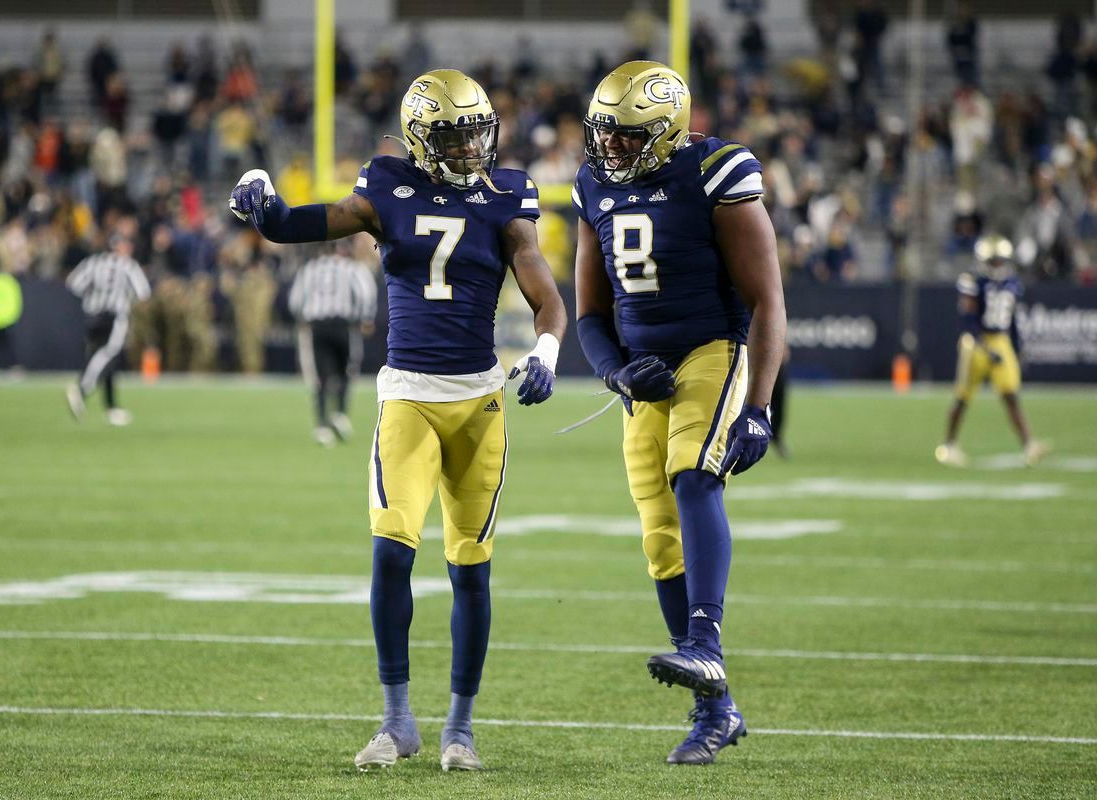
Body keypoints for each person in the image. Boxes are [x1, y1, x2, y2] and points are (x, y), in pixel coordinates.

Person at [229, 68, 566, 773]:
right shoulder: (384, 186)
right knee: (391, 552)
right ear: (420, 138)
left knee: (471, 569)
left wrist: (546, 350)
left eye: (478, 131)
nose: (473, 147)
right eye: (454, 134)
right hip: (408, 396)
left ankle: (461, 729)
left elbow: (541, 286)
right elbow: (303, 223)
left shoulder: (507, 193)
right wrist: (262, 204)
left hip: (479, 402)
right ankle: (396, 720)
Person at [573, 61, 786, 765]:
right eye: (606, 134)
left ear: (664, 133)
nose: (612, 149)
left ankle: (703, 643)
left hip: (709, 349)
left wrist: (758, 409)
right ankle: (715, 711)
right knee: (659, 537)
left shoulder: (715, 173)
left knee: (694, 474)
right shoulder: (594, 184)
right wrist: (616, 371)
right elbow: (591, 315)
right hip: (643, 374)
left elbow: (768, 302)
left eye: (628, 137)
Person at [936, 234, 1048, 467]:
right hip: (976, 342)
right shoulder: (973, 282)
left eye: (1000, 260)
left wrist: (1017, 348)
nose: (998, 265)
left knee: (1011, 395)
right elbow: (968, 321)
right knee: (962, 397)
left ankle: (1029, 444)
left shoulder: (1011, 283)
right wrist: (986, 348)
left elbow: (1013, 320)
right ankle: (948, 445)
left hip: (1001, 340)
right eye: (994, 260)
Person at [288, 236, 378, 445]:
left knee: (320, 377)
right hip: (344, 324)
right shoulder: (352, 268)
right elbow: (366, 293)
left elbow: (296, 300)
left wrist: (302, 318)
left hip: (317, 325)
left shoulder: (310, 269)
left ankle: (321, 425)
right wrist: (365, 318)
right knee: (346, 370)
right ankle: (340, 414)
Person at [65, 229, 152, 426]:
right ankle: (81, 389)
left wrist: (93, 296)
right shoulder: (128, 265)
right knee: (109, 354)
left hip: (92, 316)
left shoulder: (93, 262)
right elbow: (143, 293)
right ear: (119, 246)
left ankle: (111, 406)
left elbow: (73, 284)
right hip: (115, 317)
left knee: (105, 362)